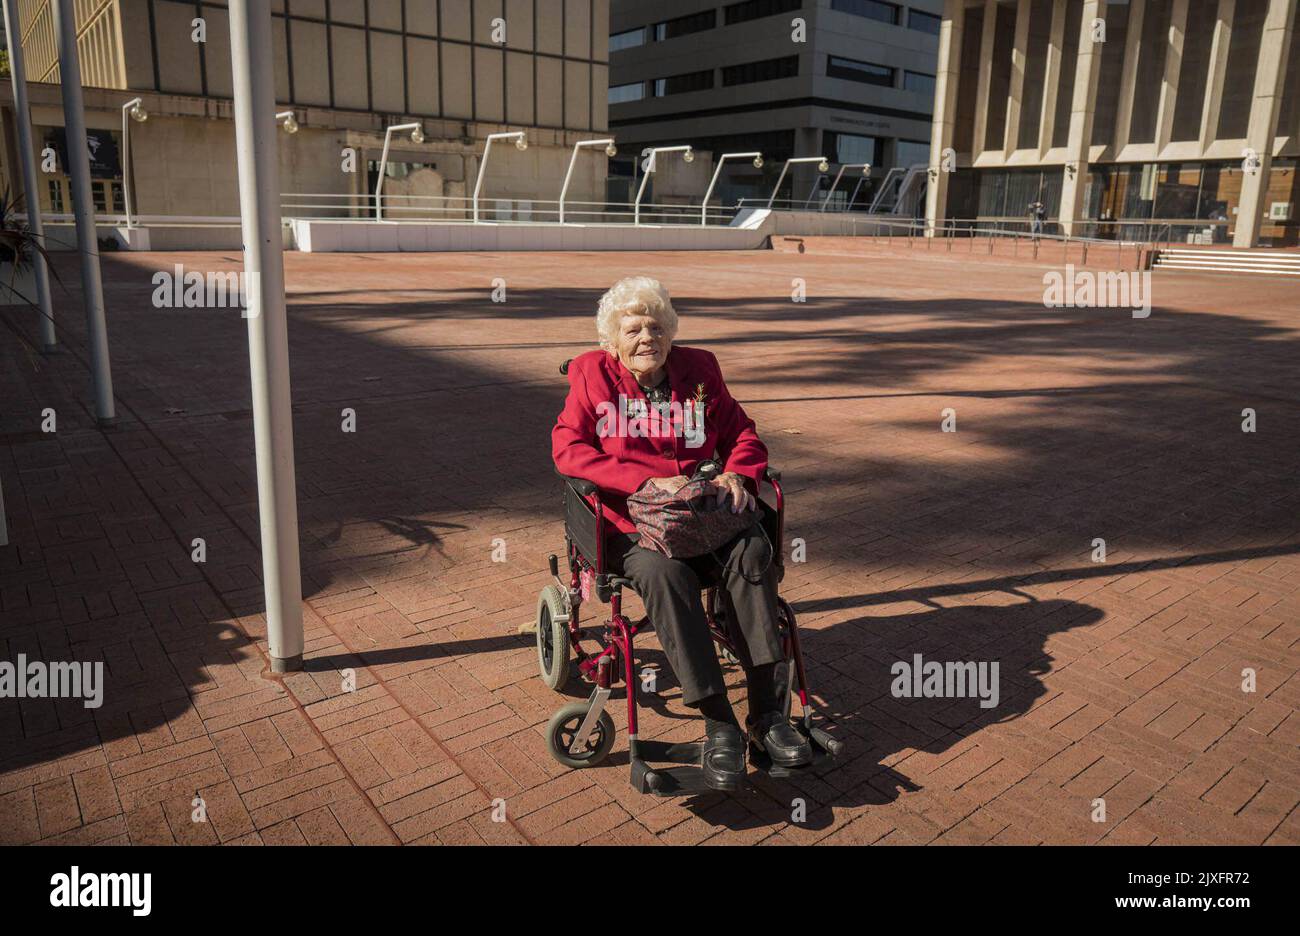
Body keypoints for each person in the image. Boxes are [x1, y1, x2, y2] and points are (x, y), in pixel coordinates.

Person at [552, 276, 811, 791]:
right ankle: (720, 725)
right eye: (632, 329)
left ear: (669, 332)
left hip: (707, 513)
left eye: (655, 326)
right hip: (638, 526)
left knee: (753, 549)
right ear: (612, 339)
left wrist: (739, 472)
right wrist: (643, 479)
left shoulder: (700, 369)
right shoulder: (591, 376)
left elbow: (743, 432)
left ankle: (766, 717)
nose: (646, 337)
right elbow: (568, 449)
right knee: (663, 574)